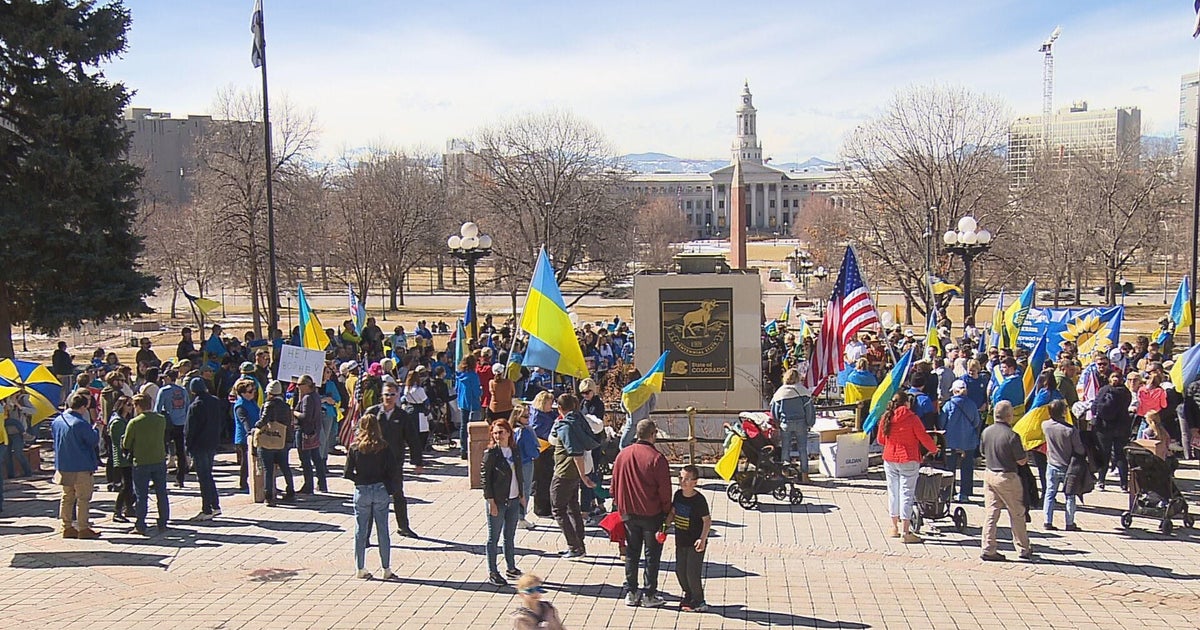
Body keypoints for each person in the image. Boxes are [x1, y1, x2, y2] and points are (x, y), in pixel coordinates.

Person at [610, 418, 671, 608]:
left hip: (628, 512)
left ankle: (631, 591)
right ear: (653, 434)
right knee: (652, 555)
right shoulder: (657, 458)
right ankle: (649, 593)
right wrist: (668, 512)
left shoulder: (623, 455)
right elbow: (665, 490)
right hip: (652, 513)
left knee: (632, 553)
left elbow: (613, 486)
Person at [876, 391, 936, 543]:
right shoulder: (912, 418)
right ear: (907, 403)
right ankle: (906, 532)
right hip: (908, 458)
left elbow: (881, 440)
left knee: (893, 493)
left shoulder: (886, 417)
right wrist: (934, 448)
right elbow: (923, 437)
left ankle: (894, 527)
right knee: (907, 494)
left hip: (890, 458)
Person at [344, 412, 397, 580]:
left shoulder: (354, 447)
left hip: (362, 490)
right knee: (383, 529)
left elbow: (347, 472)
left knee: (361, 530)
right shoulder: (383, 446)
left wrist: (358, 480)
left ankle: (360, 567)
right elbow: (392, 470)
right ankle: (386, 568)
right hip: (380, 488)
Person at [979, 401, 1033, 562]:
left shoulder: (986, 432)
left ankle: (988, 548)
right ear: (1009, 416)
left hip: (989, 474)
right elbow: (1022, 461)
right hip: (1007, 476)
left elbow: (982, 452)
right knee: (1017, 513)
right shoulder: (1012, 435)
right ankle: (1023, 548)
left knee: (991, 513)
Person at [367, 381, 423, 538]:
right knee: (372, 499)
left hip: (394, 463)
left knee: (398, 495)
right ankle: (366, 534)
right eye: (386, 394)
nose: (389, 397)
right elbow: (361, 434)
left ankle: (403, 527)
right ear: (382, 395)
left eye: (392, 394)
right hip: (374, 463)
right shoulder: (372, 413)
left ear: (398, 395)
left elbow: (412, 439)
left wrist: (417, 461)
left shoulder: (402, 416)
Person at [550, 393, 598, 561]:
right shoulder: (579, 419)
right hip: (573, 473)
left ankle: (574, 546)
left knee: (558, 509)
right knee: (573, 507)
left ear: (560, 408)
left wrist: (583, 476)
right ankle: (580, 545)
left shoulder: (565, 425)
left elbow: (575, 452)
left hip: (564, 472)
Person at [482, 418, 527, 586]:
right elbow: (485, 480)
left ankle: (511, 567)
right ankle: (493, 571)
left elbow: (519, 473)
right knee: (493, 537)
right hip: (498, 501)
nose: (497, 436)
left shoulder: (514, 450)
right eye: (494, 433)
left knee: (510, 535)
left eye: (501, 432)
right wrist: (491, 502)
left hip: (514, 499)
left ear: (509, 432)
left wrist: (522, 494)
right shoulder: (491, 454)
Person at [53, 393, 101, 539]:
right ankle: (83, 528)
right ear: (83, 407)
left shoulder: (57, 421)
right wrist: (97, 428)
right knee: (83, 498)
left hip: (63, 465)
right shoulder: (80, 423)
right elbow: (92, 440)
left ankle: (66, 526)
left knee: (67, 497)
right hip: (81, 465)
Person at [123, 394, 170, 535]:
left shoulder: (135, 422)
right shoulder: (161, 420)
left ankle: (140, 524)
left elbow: (126, 443)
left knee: (141, 495)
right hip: (159, 459)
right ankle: (163, 522)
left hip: (141, 461)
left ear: (137, 406)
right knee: (161, 492)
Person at [669, 464, 711, 612]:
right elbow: (673, 513)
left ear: (695, 482)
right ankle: (688, 594)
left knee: (692, 572)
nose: (683, 481)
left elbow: (707, 521)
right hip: (681, 540)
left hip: (695, 541)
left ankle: (699, 600)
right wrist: (664, 527)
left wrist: (703, 538)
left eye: (687, 479)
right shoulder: (678, 495)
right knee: (680, 570)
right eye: (681, 478)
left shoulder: (699, 500)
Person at [1042, 399, 1085, 532]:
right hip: (1068, 466)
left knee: (1050, 493)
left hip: (1052, 464)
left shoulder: (1045, 425)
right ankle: (1069, 523)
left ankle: (1047, 521)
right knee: (1070, 495)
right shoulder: (1070, 430)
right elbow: (1079, 450)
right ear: (1063, 412)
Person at [185, 378, 223, 520]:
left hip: (199, 445)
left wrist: (187, 446)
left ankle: (207, 508)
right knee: (209, 474)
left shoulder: (195, 406)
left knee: (203, 477)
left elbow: (190, 429)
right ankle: (215, 505)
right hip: (212, 442)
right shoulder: (215, 401)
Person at [939, 379, 982, 503]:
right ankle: (965, 493)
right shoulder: (972, 404)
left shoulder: (948, 405)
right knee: (967, 467)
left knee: (949, 467)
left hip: (951, 441)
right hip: (968, 441)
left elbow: (942, 423)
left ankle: (949, 492)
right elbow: (976, 422)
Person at [769, 368, 815, 481]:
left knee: (785, 449)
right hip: (801, 423)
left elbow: (774, 411)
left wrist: (777, 422)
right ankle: (805, 476)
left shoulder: (780, 392)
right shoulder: (803, 391)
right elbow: (809, 410)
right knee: (802, 449)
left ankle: (785, 474)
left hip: (786, 423)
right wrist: (810, 423)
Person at [255, 381, 295, 506]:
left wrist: (256, 427)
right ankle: (290, 491)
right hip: (283, 440)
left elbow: (264, 420)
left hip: (269, 439)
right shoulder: (286, 406)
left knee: (268, 469)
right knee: (285, 467)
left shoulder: (269, 405)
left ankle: (269, 496)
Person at [1093, 371, 1133, 491]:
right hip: (1121, 427)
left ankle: (1101, 481)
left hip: (1104, 427)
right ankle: (1124, 484)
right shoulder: (1126, 392)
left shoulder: (1104, 389)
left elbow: (1095, 406)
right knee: (1120, 455)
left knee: (1103, 454)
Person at [154, 370, 190, 488]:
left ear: (169, 378)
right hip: (181, 423)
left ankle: (158, 479)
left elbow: (158, 408)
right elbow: (187, 407)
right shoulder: (183, 391)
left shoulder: (163, 391)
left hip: (167, 424)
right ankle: (181, 479)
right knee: (180, 451)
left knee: (162, 452)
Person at [293, 374, 328, 494]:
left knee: (306, 459)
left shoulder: (308, 397)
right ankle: (322, 484)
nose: (297, 387)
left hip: (305, 432)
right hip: (314, 431)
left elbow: (305, 416)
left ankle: (308, 485)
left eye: (299, 385)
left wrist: (295, 413)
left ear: (306, 385)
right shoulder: (315, 396)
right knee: (316, 458)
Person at [108, 396, 136, 523]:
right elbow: (120, 441)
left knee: (129, 485)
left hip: (127, 457)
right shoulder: (117, 422)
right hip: (122, 458)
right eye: (129, 404)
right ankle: (117, 511)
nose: (131, 407)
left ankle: (129, 508)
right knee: (126, 486)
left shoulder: (125, 419)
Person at [529, 390, 557, 519]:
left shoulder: (548, 413)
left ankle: (548, 506)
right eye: (550, 403)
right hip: (541, 450)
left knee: (548, 478)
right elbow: (538, 432)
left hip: (549, 449)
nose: (552, 405)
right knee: (541, 480)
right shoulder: (537, 416)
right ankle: (541, 509)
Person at [511, 404, 540, 530]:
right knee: (525, 490)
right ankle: (521, 518)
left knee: (515, 490)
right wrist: (537, 453)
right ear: (518, 417)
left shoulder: (510, 430)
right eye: (525, 416)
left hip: (513, 463)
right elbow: (531, 450)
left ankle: (514, 516)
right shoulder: (525, 432)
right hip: (526, 463)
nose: (528, 418)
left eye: (529, 415)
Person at [232, 380, 260, 493]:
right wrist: (250, 432)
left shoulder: (252, 402)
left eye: (253, 390)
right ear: (243, 393)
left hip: (256, 434)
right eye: (250, 391)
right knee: (246, 462)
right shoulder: (240, 405)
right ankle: (243, 483)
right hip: (244, 438)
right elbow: (244, 421)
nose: (253, 393)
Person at [4, 391, 35, 478]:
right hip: (5, 431)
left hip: (17, 432)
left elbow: (33, 411)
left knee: (18, 453)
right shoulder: (4, 400)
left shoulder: (22, 400)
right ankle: (11, 475)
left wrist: (19, 406)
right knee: (7, 455)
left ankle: (28, 472)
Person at [456, 355, 482, 460]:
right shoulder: (474, 376)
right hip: (473, 403)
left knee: (463, 426)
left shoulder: (459, 375)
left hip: (462, 402)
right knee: (474, 427)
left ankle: (463, 449)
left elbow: (456, 388)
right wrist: (481, 391)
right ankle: (474, 448)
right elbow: (476, 392)